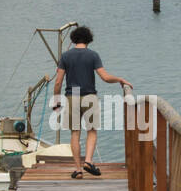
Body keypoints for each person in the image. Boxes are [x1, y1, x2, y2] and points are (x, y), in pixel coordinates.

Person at [51, 26, 132, 178]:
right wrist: (120, 79)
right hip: (89, 95)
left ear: (73, 39)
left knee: (75, 133)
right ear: (89, 39)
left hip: (72, 95)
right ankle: (88, 161)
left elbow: (58, 82)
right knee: (92, 131)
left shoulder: (66, 56)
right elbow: (105, 77)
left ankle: (78, 170)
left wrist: (56, 100)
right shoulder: (93, 55)